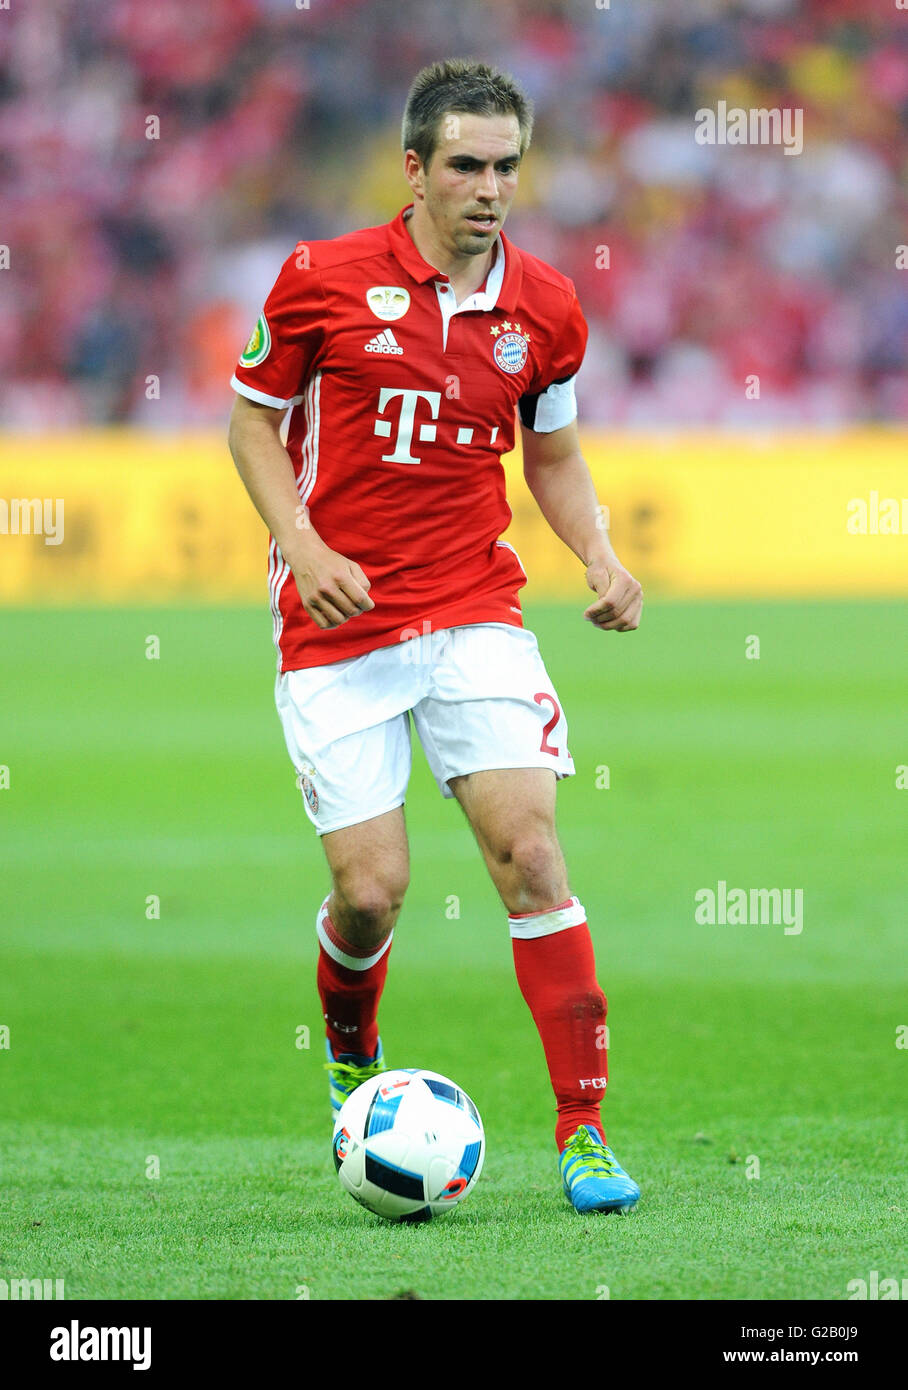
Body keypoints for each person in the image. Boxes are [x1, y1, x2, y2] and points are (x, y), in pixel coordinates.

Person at [227, 58, 643, 1214]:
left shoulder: (547, 307)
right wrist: (302, 548)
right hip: (339, 621)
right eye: (465, 165)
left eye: (507, 166)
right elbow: (250, 427)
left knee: (531, 857)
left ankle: (583, 1129)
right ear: (412, 170)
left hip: (473, 611)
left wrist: (598, 558)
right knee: (372, 892)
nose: (489, 187)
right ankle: (353, 1055)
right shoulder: (320, 278)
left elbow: (550, 456)